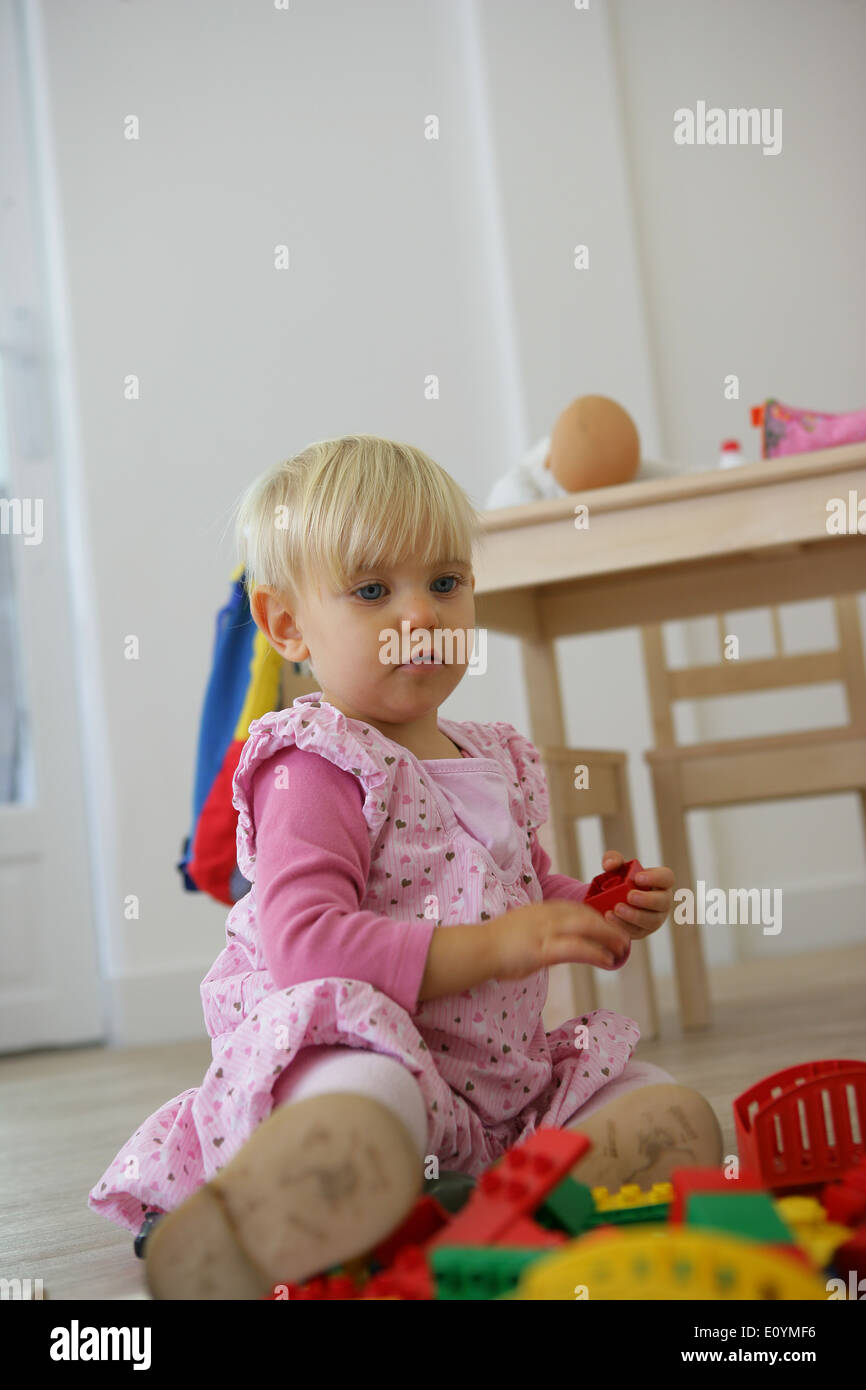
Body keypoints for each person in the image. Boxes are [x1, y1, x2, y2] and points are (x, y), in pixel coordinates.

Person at [87, 435, 722, 1299]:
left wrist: (596, 908)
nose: (419, 615)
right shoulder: (317, 763)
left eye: (445, 583)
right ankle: (270, 1216)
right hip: (362, 1052)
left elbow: (527, 893)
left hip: (499, 1085)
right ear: (286, 626)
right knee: (366, 1096)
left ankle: (497, 1207)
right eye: (375, 591)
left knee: (663, 1106)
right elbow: (310, 947)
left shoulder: (493, 755)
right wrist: (506, 944)